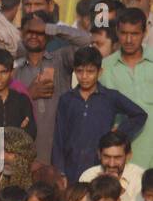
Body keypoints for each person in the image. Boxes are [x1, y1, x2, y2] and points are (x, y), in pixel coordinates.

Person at [53, 46, 146, 185]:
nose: (84, 76)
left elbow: (140, 115)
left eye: (90, 71)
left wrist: (119, 132)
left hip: (99, 166)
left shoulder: (110, 97)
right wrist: (59, 172)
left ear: (100, 72)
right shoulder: (66, 99)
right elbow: (59, 138)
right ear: (74, 71)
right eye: (80, 71)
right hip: (71, 167)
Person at [14, 11, 91, 166]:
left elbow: (86, 40)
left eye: (40, 32)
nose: (34, 36)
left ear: (48, 36)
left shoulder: (60, 59)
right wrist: (29, 94)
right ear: (22, 35)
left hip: (59, 149)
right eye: (29, 31)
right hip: (25, 152)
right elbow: (8, 111)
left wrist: (50, 27)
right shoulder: (15, 70)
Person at [100, 9, 153, 172]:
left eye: (135, 34)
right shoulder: (104, 67)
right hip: (120, 159)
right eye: (124, 33)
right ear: (117, 32)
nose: (129, 40)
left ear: (145, 32)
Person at [79, 132, 145, 201]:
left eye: (117, 158)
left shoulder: (140, 177)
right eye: (106, 157)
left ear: (128, 156)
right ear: (99, 154)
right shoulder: (89, 176)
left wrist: (119, 191)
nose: (111, 164)